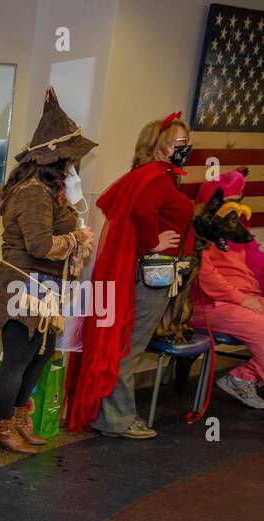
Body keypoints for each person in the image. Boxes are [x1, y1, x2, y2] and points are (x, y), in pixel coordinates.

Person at [65, 112, 194, 437]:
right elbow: (139, 212)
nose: (185, 147)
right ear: (159, 145)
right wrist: (154, 242)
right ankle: (117, 419)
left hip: (147, 273)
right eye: (179, 142)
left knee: (124, 342)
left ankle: (109, 414)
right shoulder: (155, 177)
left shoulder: (151, 175)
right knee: (129, 345)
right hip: (151, 276)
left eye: (186, 142)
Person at [0, 88, 96, 452]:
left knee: (41, 354)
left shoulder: (50, 192)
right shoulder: (33, 193)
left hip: (44, 289)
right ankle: (2, 427)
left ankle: (17, 419)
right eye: (70, 159)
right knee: (18, 357)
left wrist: (76, 207)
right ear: (56, 158)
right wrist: (77, 238)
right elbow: (42, 246)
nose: (72, 165)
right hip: (23, 286)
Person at [189, 170, 264, 409]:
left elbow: (254, 268)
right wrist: (243, 300)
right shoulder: (200, 232)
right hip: (212, 305)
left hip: (244, 301)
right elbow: (206, 277)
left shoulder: (238, 233)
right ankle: (242, 379)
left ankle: (245, 375)